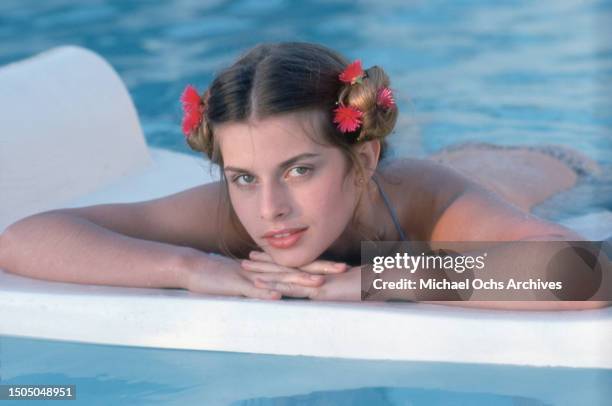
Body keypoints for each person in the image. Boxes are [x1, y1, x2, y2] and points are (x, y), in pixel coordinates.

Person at [0, 42, 608, 310]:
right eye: (242, 176)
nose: (269, 210)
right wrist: (195, 268)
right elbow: (25, 237)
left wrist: (367, 280)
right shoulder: (235, 214)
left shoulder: (431, 201)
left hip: (560, 169)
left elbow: (587, 270)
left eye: (298, 169)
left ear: (363, 159)